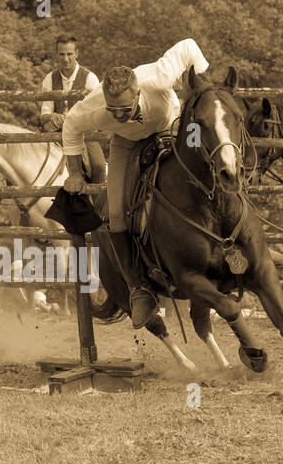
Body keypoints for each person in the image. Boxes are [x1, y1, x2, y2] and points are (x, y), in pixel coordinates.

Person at [60, 38, 210, 328]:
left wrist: (202, 86)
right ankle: (138, 289)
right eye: (113, 110)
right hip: (126, 144)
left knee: (212, 166)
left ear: (138, 92)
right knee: (115, 214)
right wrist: (75, 172)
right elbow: (70, 126)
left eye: (125, 109)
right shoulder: (93, 107)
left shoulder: (159, 76)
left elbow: (190, 46)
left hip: (171, 127)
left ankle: (248, 245)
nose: (119, 114)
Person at [40, 35, 104, 182]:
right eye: (62, 54)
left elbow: (95, 114)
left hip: (83, 132)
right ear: (57, 54)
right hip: (57, 132)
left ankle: (99, 202)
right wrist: (51, 117)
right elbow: (44, 114)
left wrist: (69, 119)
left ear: (77, 53)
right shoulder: (49, 78)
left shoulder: (90, 78)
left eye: (69, 54)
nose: (66, 59)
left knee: (99, 165)